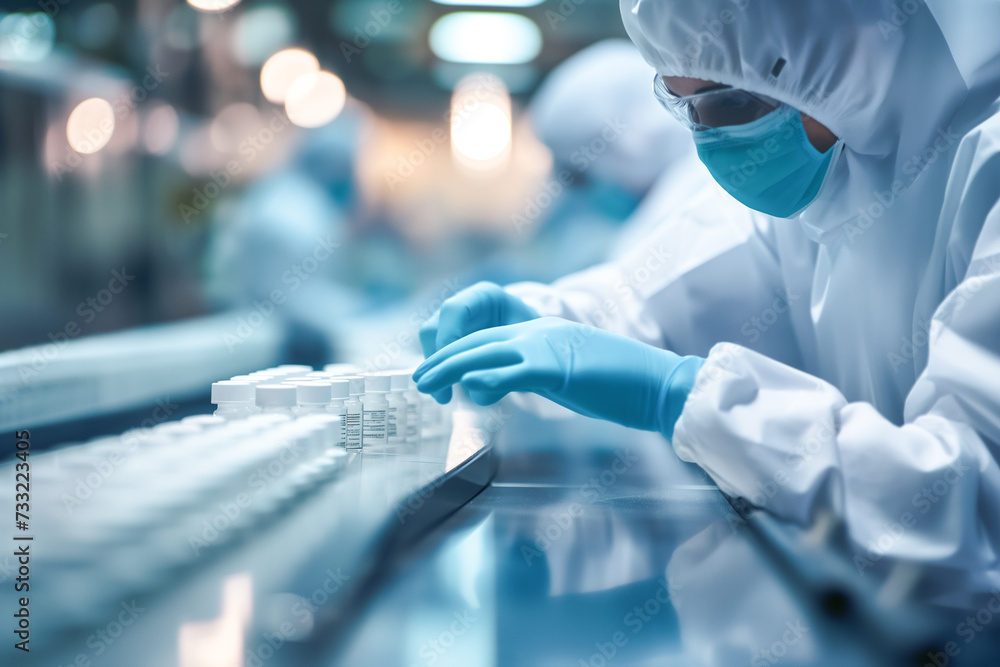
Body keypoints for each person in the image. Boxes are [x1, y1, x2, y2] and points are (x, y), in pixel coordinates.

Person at [413, 0, 1000, 598]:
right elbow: (665, 297)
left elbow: (971, 507)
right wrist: (550, 320)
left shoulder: (986, 170)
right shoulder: (833, 175)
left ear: (856, 55)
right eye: (685, 106)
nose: (712, 141)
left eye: (733, 102)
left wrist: (682, 395)